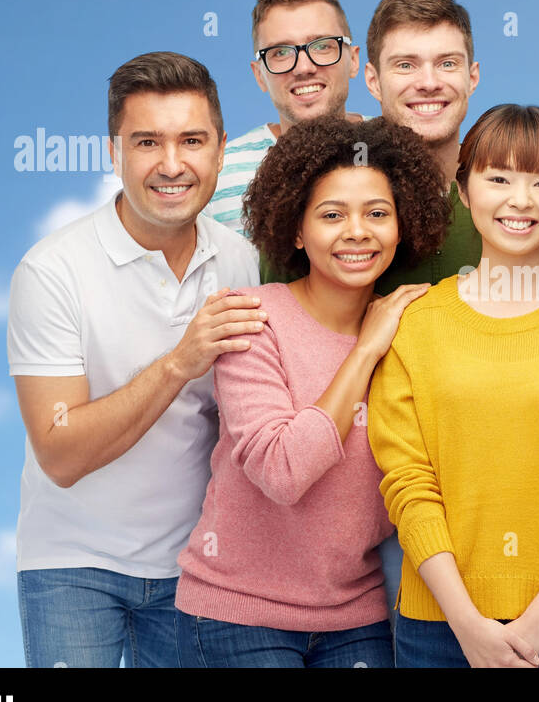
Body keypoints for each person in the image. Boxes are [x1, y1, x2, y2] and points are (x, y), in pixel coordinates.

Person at [368, 104, 539, 668]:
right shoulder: (417, 323)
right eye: (498, 178)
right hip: (438, 627)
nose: (520, 201)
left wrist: (538, 620)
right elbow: (408, 484)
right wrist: (467, 625)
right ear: (464, 190)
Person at [8, 52, 263, 668]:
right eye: (147, 142)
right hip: (73, 567)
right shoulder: (51, 272)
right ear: (113, 152)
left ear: (221, 150)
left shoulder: (240, 262)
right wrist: (180, 362)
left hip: (194, 569)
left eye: (192, 140)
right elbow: (60, 454)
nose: (172, 164)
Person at [174, 117, 450, 667]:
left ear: (403, 226)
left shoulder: (412, 329)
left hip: (357, 617)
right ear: (297, 231)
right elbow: (282, 470)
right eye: (331, 215)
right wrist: (365, 352)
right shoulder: (254, 320)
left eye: (377, 213)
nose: (357, 231)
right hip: (238, 614)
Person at [203, 0, 368, 239]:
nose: (303, 67)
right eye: (280, 52)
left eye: (323, 45)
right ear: (259, 75)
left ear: (354, 60)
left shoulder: (399, 153)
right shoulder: (216, 175)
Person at [363, 0, 482, 292]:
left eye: (447, 63)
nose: (429, 83)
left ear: (472, 78)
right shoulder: (328, 196)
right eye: (406, 65)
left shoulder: (514, 194)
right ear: (373, 82)